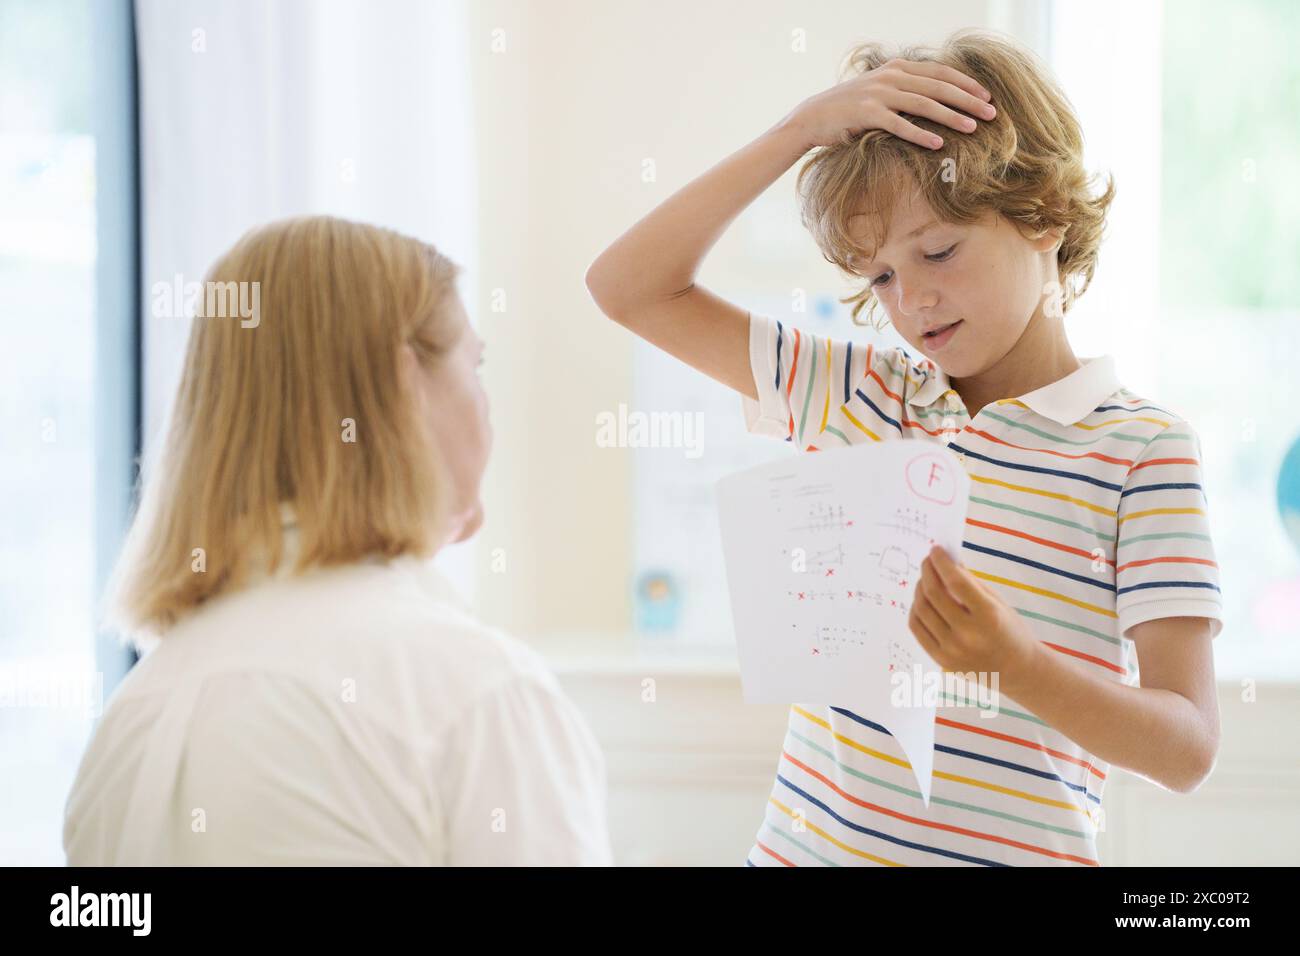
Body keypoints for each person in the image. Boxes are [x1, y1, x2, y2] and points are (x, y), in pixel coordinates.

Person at [586, 29, 1222, 866]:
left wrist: (1017, 665)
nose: (911, 299)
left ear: (1047, 218)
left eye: (939, 251)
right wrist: (797, 131)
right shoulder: (856, 394)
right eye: (880, 275)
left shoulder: (1142, 451)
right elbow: (628, 287)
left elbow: (1187, 748)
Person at [64, 216, 613, 866]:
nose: (486, 409)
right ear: (405, 387)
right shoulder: (472, 694)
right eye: (476, 365)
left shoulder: (134, 717)